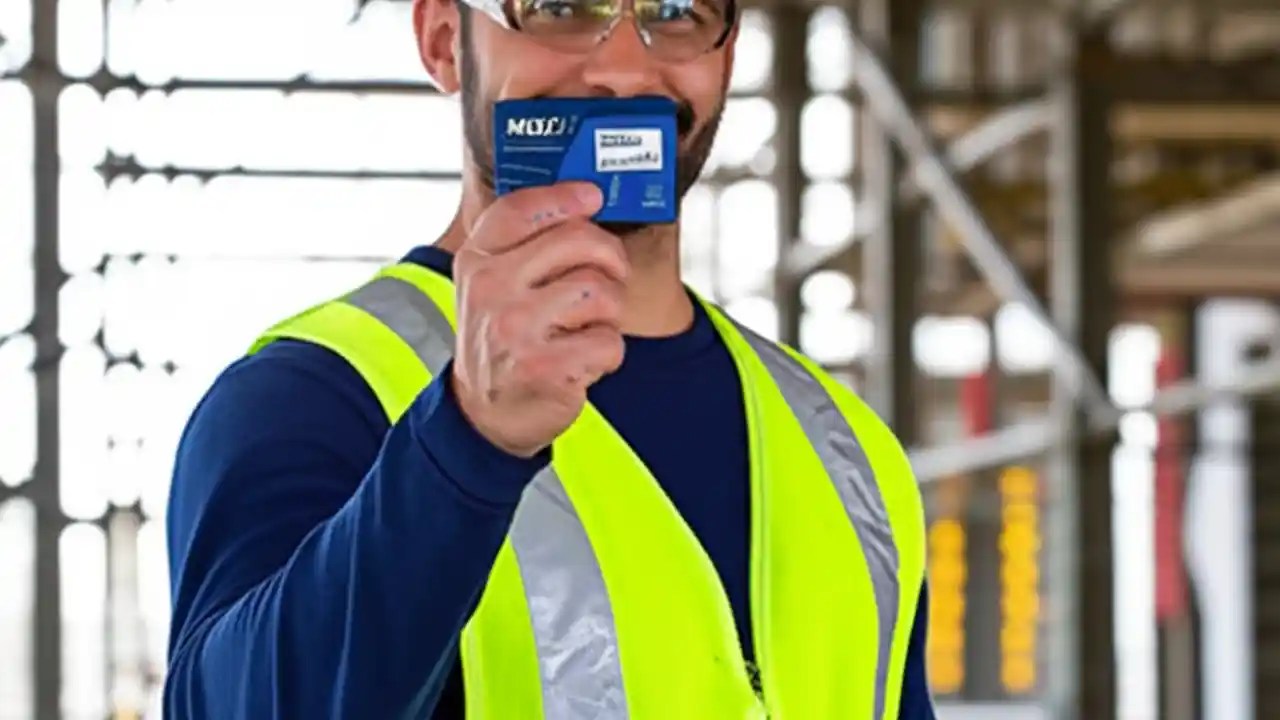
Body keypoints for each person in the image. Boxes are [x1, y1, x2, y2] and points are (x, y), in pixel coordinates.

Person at [163, 0, 937, 716]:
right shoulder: (312, 394)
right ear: (444, 41)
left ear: (727, 51)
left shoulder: (852, 456)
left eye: (677, 12)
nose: (626, 70)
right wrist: (467, 444)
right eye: (561, 6)